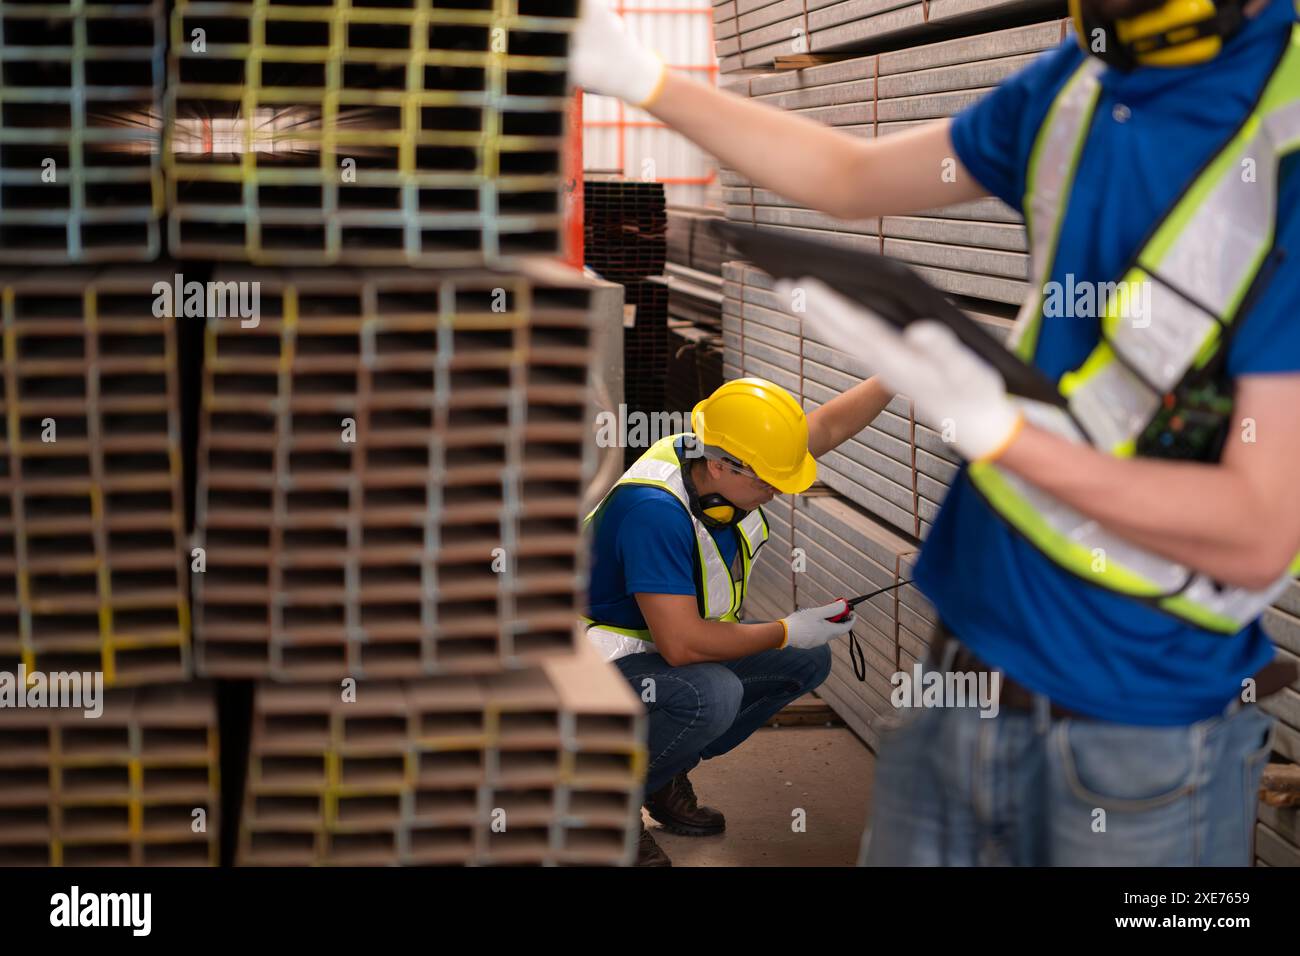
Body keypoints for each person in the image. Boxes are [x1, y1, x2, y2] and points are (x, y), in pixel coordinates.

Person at [573, 0, 1300, 865]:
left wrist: (999, 432)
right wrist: (646, 80)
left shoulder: (1279, 142)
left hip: (1136, 714)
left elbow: (1259, 532)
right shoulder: (1091, 70)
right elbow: (852, 178)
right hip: (963, 663)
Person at [585, 377, 892, 865]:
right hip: (593, 671)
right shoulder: (654, 513)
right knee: (713, 693)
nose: (776, 489)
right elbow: (683, 646)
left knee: (805, 658)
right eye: (767, 479)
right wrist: (787, 628)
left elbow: (827, 426)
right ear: (719, 464)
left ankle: (660, 773)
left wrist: (899, 371)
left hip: (653, 654)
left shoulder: (721, 458)